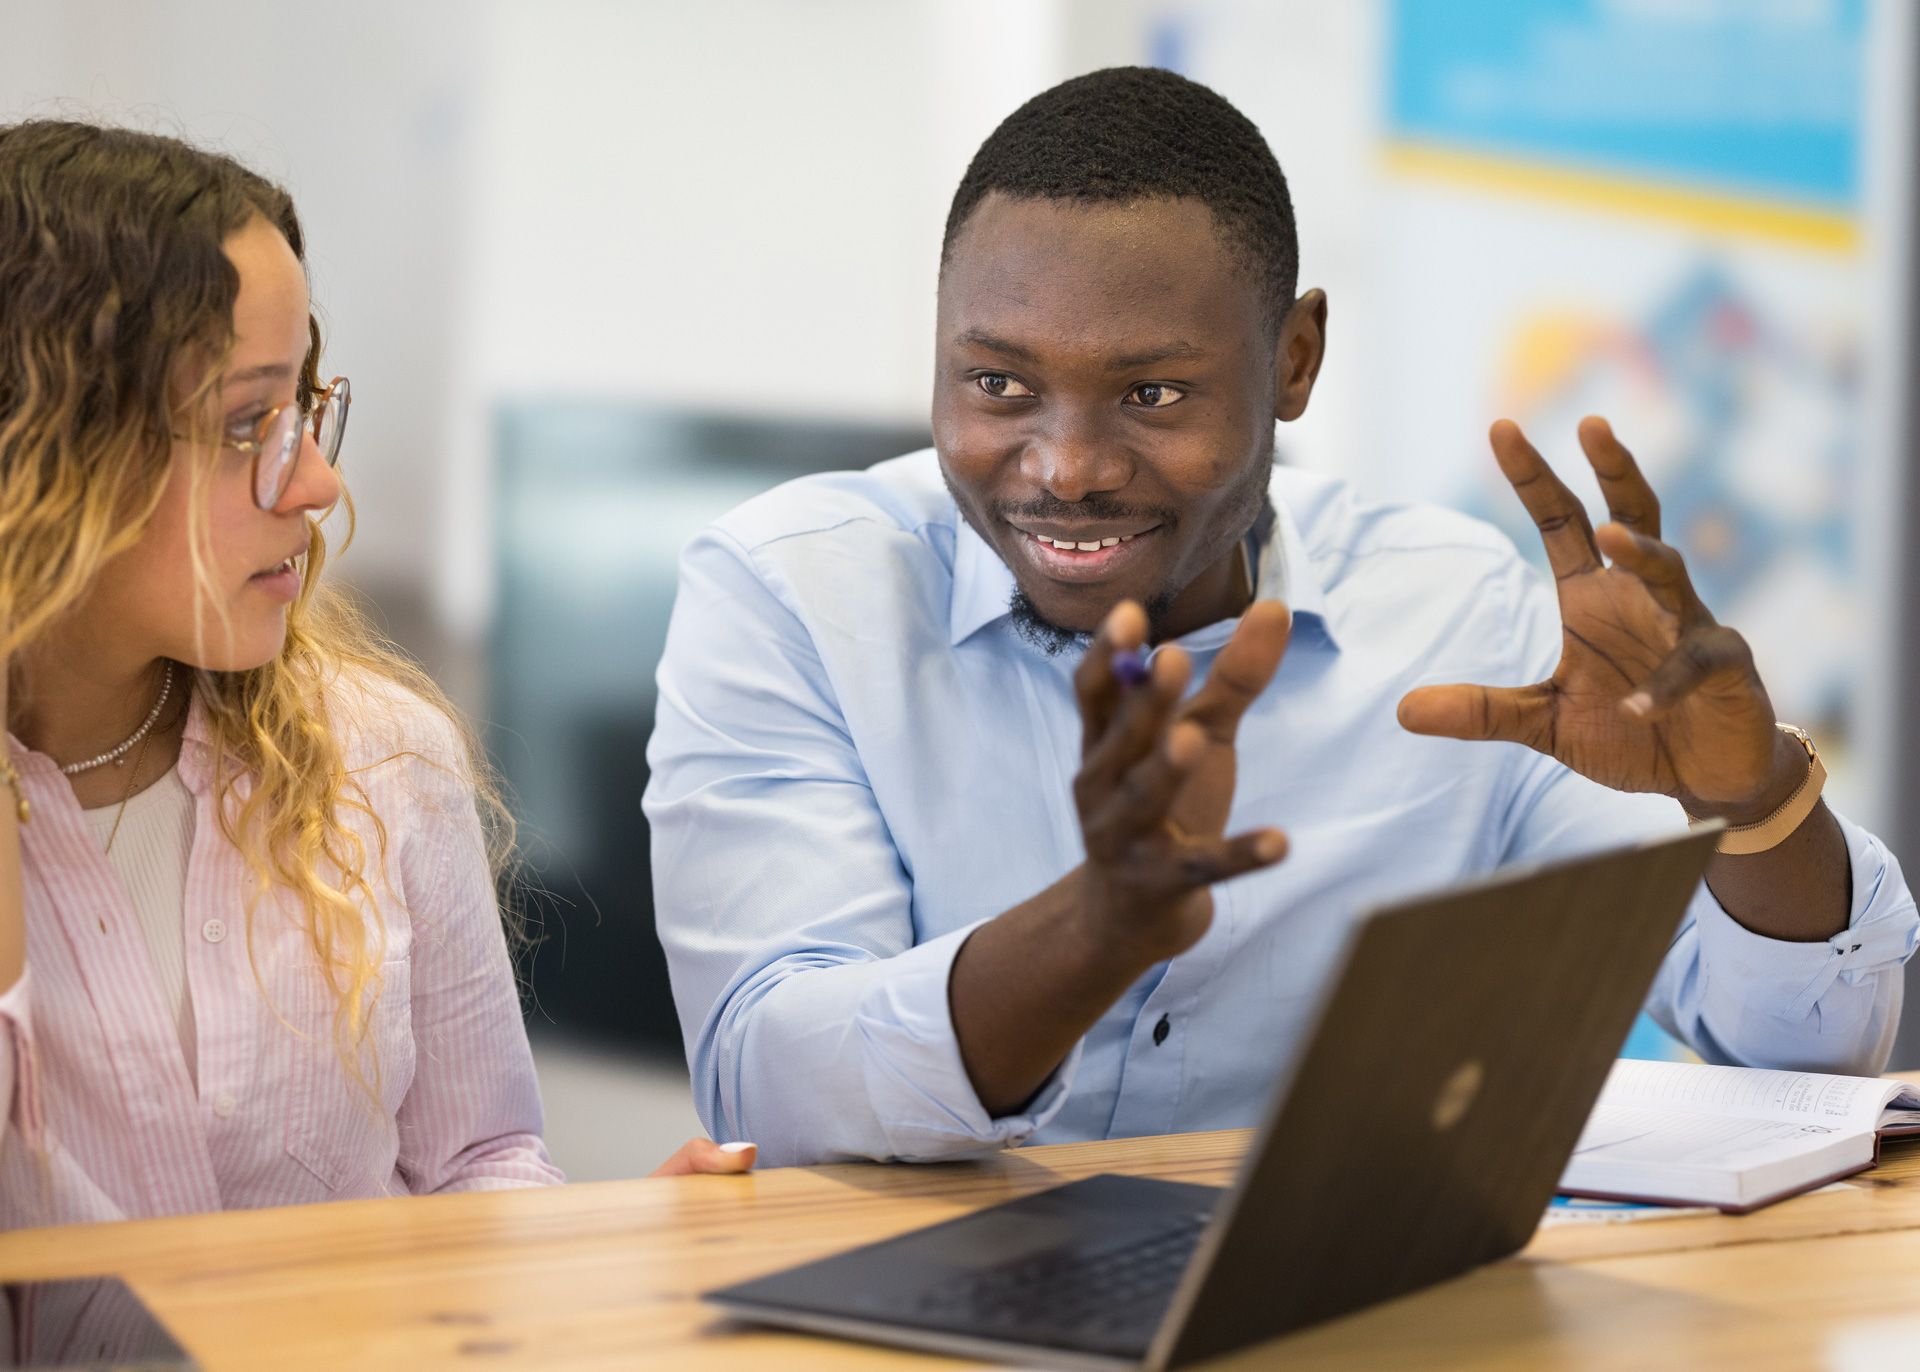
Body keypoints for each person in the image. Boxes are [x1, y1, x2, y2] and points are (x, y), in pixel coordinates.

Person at [646, 67, 1918, 1167]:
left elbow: (1802, 1054)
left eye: (1152, 392)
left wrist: (1756, 806)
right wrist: (1095, 931)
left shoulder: (1456, 618)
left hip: (1323, 1304)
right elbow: (771, 1081)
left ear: (1295, 360)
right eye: (998, 383)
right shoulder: (791, 591)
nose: (1067, 465)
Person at [0, 121, 750, 1229]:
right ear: (50, 448)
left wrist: (591, 1257)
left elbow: (480, 1161)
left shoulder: (379, 756)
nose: (314, 483)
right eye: (246, 422)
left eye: (303, 408)